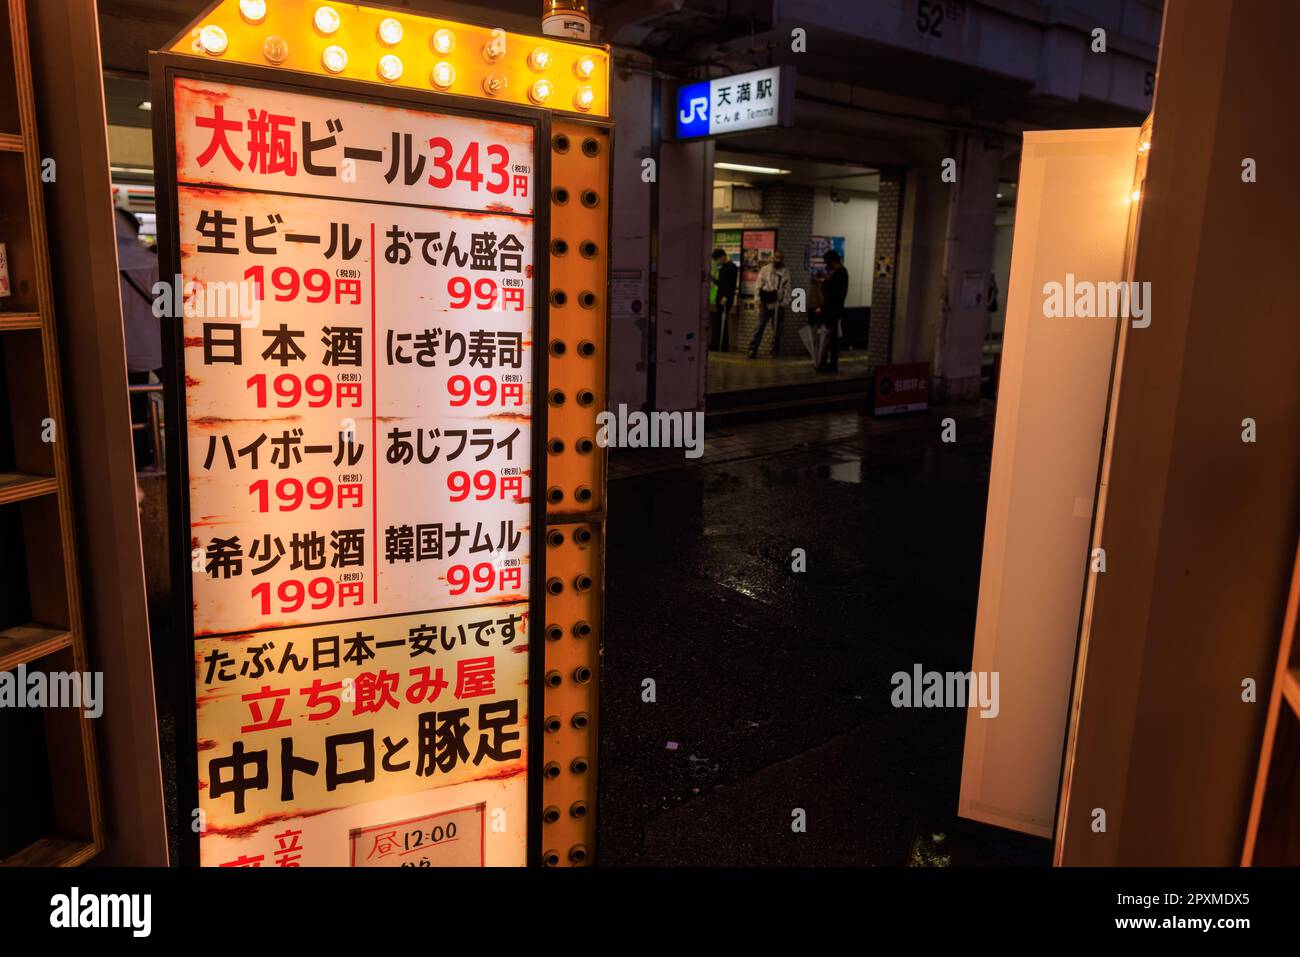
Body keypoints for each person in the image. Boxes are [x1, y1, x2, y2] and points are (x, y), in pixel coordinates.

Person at [116, 205, 162, 469]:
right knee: (177, 399)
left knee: (134, 404)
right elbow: (173, 307)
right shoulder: (153, 264)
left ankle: (142, 459)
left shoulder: (102, 265)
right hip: (158, 346)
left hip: (124, 351)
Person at [747, 249, 791, 358]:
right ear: (773, 257)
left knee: (777, 330)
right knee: (759, 327)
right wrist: (757, 300)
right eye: (776, 257)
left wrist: (784, 303)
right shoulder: (765, 269)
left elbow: (788, 288)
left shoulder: (785, 271)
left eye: (780, 258)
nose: (778, 260)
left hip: (778, 304)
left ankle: (774, 351)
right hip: (765, 303)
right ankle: (752, 349)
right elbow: (758, 285)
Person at [813, 249, 847, 372]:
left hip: (832, 311)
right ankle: (828, 364)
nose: (827, 266)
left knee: (830, 340)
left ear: (832, 261)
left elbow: (831, 293)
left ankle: (830, 365)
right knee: (830, 339)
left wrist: (822, 307)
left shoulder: (840, 273)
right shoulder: (840, 273)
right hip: (834, 311)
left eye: (828, 262)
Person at [709, 248, 738, 351]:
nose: (717, 261)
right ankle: (717, 344)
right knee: (719, 321)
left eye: (718, 259)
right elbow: (721, 284)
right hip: (720, 296)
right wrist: (712, 278)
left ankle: (722, 345)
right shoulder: (722, 268)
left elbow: (732, 284)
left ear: (722, 256)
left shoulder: (732, 268)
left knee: (722, 321)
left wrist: (726, 296)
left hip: (726, 298)